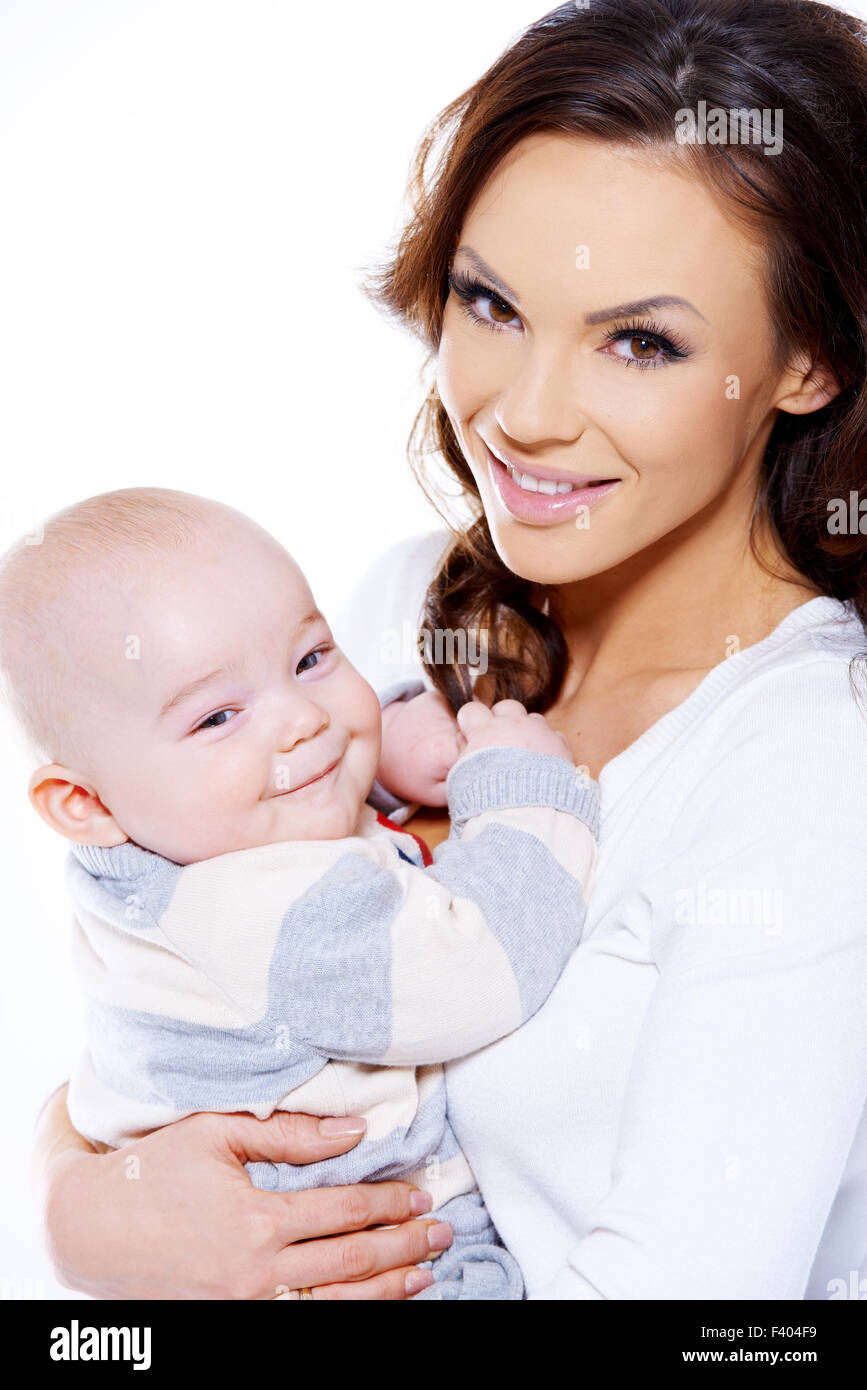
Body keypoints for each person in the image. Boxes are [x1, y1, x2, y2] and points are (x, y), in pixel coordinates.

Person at [31, 0, 867, 1299]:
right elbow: (194, 1018)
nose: (520, 416)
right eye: (489, 302)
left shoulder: (810, 768)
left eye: (638, 340)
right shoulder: (384, 617)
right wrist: (82, 1204)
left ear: (806, 358)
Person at [0, 486, 600, 1301]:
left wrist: (375, 753)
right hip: (372, 1261)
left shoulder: (170, 843)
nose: (302, 723)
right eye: (216, 718)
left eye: (311, 660)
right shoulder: (256, 909)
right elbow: (478, 969)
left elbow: (296, 827)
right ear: (87, 805)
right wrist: (520, 791)